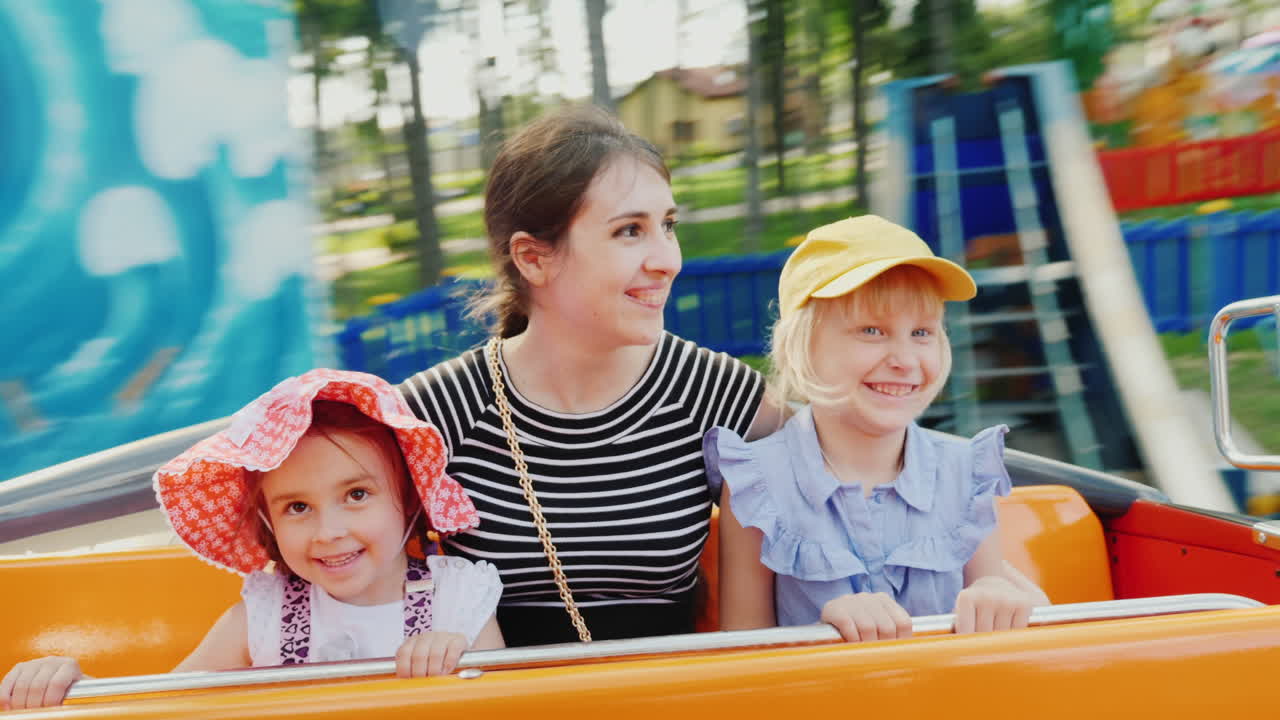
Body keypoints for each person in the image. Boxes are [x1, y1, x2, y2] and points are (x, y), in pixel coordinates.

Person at [398, 105, 784, 647]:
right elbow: (285, 458)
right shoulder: (443, 409)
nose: (668, 260)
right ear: (534, 259)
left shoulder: (716, 395)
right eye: (630, 231)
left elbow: (848, 460)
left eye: (667, 226)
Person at [1, 369, 504, 710]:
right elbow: (162, 705)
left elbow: (510, 705)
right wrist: (73, 688)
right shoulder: (260, 618)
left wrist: (462, 669)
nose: (328, 532)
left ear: (411, 500)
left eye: (356, 494)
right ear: (269, 523)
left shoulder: (458, 602)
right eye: (298, 507)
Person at [709, 215, 1050, 643]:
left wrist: (997, 599)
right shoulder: (757, 480)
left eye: (922, 332)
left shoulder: (967, 470)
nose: (905, 359)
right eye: (872, 331)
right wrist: (820, 636)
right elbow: (743, 653)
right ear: (803, 345)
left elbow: (990, 594)